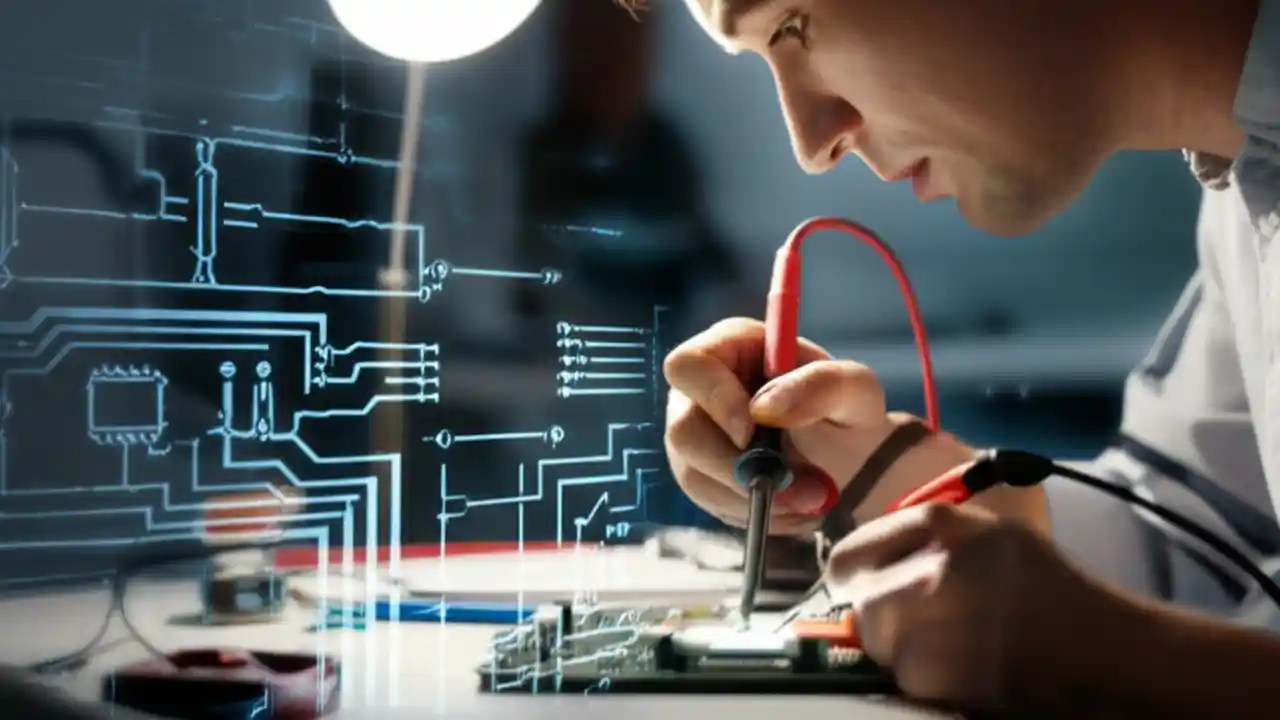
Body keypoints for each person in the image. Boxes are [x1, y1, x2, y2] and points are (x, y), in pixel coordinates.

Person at [660, 0, 1280, 715]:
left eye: (794, 25)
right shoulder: (1248, 180)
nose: (812, 141)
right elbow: (1208, 542)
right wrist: (873, 474)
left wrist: (1124, 659)